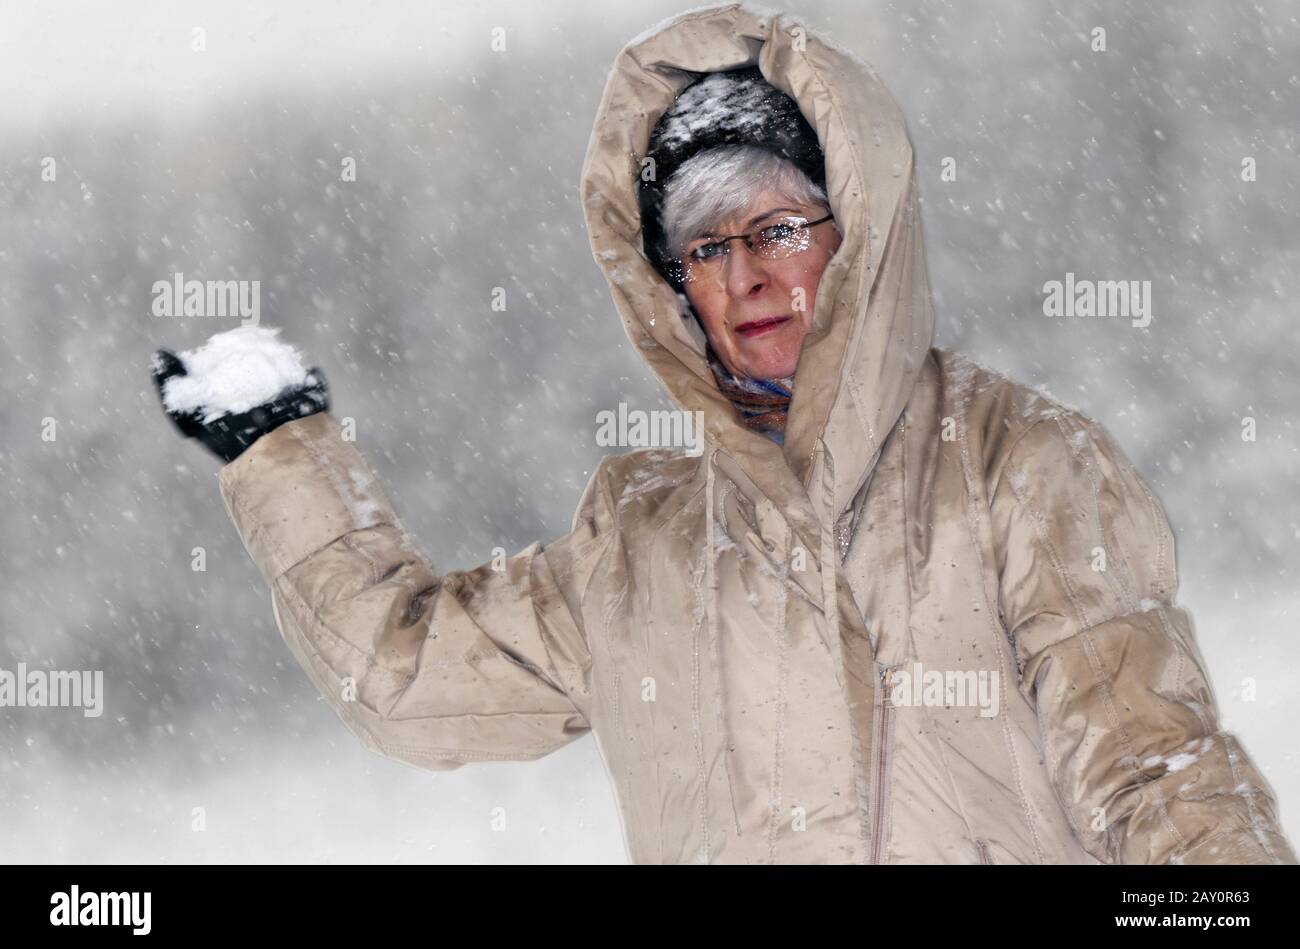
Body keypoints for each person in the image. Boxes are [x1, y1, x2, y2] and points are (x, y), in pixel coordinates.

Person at [151, 4, 1295, 864]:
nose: (744, 273)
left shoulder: (1016, 464)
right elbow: (406, 680)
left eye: (777, 224)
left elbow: (1160, 775)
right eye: (703, 246)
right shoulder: (639, 540)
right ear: (670, 288)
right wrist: (283, 450)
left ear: (858, 227)